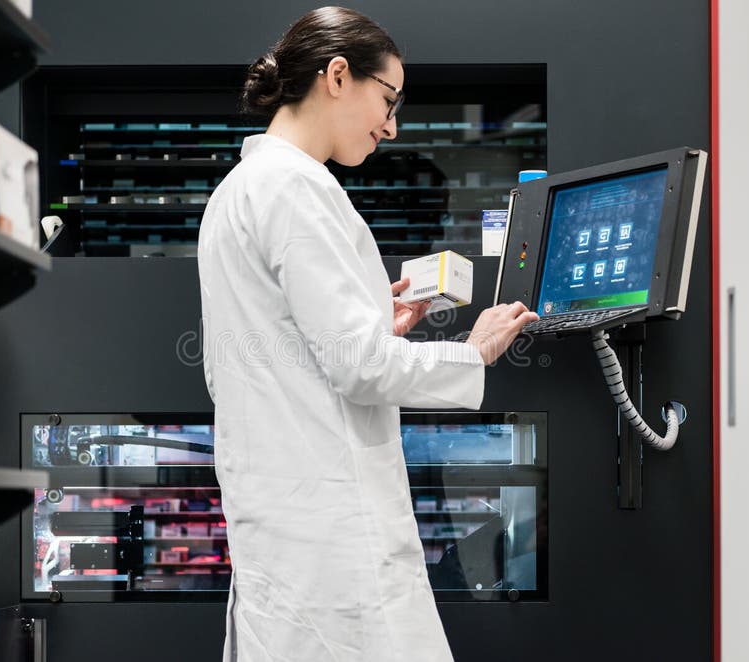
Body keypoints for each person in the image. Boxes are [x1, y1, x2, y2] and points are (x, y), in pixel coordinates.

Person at [197, 7, 537, 661]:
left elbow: (268, 351)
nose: (391, 124)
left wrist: (372, 316)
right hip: (327, 532)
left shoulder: (239, 191)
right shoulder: (297, 189)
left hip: (283, 519)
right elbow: (360, 369)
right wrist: (473, 349)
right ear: (337, 75)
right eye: (387, 98)